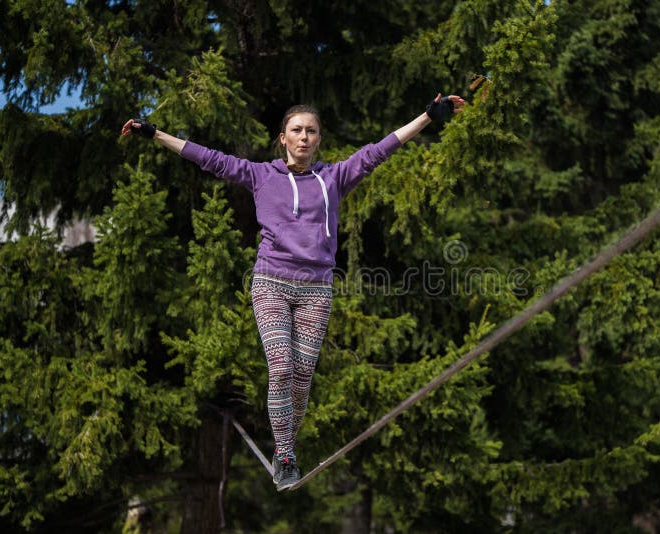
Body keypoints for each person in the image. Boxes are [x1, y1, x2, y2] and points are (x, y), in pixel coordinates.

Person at [121, 93, 465, 490]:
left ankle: (286, 448)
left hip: (316, 289)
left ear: (319, 139)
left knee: (301, 376)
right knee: (282, 366)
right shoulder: (260, 175)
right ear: (282, 138)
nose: (304, 137)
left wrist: (426, 116)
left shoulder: (334, 178)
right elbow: (207, 157)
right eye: (296, 131)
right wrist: (155, 133)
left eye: (311, 131)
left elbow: (379, 150)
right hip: (271, 282)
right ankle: (285, 456)